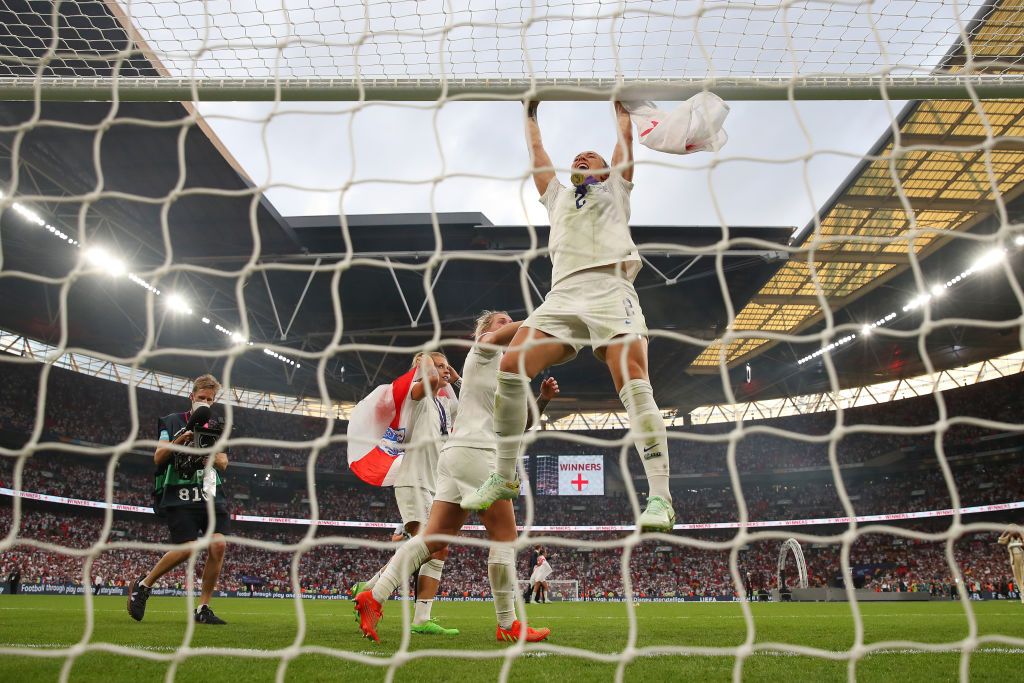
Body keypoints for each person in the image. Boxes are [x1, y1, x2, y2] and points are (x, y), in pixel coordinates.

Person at [461, 100, 675, 532]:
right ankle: (503, 478)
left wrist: (620, 114)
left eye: (591, 156)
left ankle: (660, 498)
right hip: (563, 293)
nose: (582, 157)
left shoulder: (615, 188)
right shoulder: (557, 195)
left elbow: (624, 146)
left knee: (633, 380)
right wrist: (530, 114)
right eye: (577, 156)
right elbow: (538, 155)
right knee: (510, 365)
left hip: (612, 288)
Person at [354, 310, 556, 643]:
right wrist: (543, 314)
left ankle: (374, 596)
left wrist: (543, 400)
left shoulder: (508, 371)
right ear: (484, 331)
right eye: (502, 322)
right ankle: (508, 624)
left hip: (456, 458)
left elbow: (517, 426)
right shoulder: (483, 349)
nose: (508, 326)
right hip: (477, 455)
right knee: (504, 537)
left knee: (432, 541)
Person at [353, 352, 461, 636]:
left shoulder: (444, 404)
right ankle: (378, 598)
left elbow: (471, 410)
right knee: (434, 543)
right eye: (439, 366)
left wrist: (455, 376)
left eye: (446, 366)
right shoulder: (417, 394)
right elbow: (429, 380)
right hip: (413, 479)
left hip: (437, 483)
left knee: (438, 548)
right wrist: (425, 362)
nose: (444, 371)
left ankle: (376, 590)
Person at [127, 374, 230, 625]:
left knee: (218, 544)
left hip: (208, 492)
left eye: (209, 399)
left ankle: (202, 608)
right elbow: (159, 456)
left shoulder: (216, 425)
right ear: (191, 397)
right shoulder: (172, 421)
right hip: (179, 492)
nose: (204, 402)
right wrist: (182, 438)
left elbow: (224, 462)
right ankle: (143, 586)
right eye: (201, 397)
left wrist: (209, 451)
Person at [997, 525, 1024, 605]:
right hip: (1014, 560)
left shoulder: (1021, 537)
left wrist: (1020, 532)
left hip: (1022, 558)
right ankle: (1022, 595)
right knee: (1018, 579)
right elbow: (1000, 541)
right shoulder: (1009, 538)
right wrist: (1005, 530)